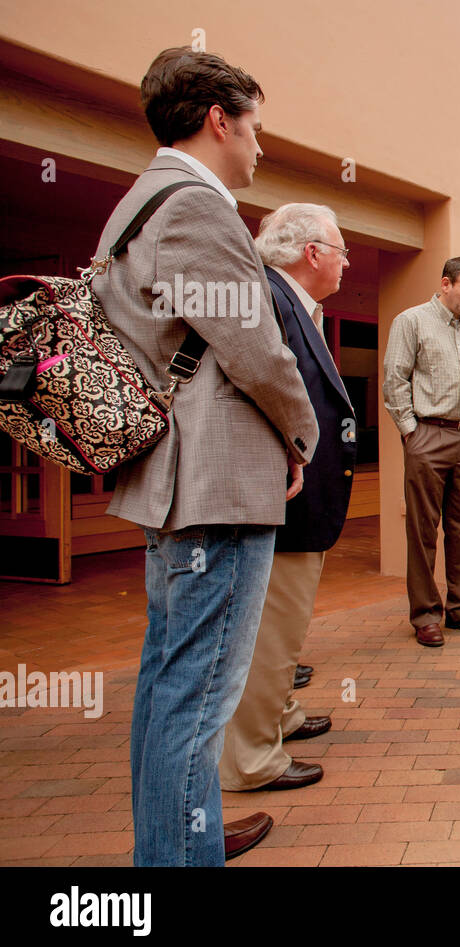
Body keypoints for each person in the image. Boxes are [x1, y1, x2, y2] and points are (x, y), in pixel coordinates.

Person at [92, 48, 319, 866]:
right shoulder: (194, 205)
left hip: (176, 484)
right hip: (213, 483)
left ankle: (171, 847)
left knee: (168, 688)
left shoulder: (137, 204)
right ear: (218, 119)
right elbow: (256, 351)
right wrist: (303, 434)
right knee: (197, 699)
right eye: (254, 125)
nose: (260, 145)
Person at [219, 203, 355, 793]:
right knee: (272, 627)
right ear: (312, 253)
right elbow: (255, 384)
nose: (347, 261)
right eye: (341, 249)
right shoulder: (270, 299)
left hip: (300, 499)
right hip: (283, 498)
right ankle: (252, 759)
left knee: (286, 626)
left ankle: (279, 717)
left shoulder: (295, 304)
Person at [382, 257, 460, 648]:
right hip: (427, 435)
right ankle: (425, 615)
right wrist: (410, 433)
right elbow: (394, 380)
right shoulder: (411, 321)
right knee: (422, 531)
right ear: (446, 284)